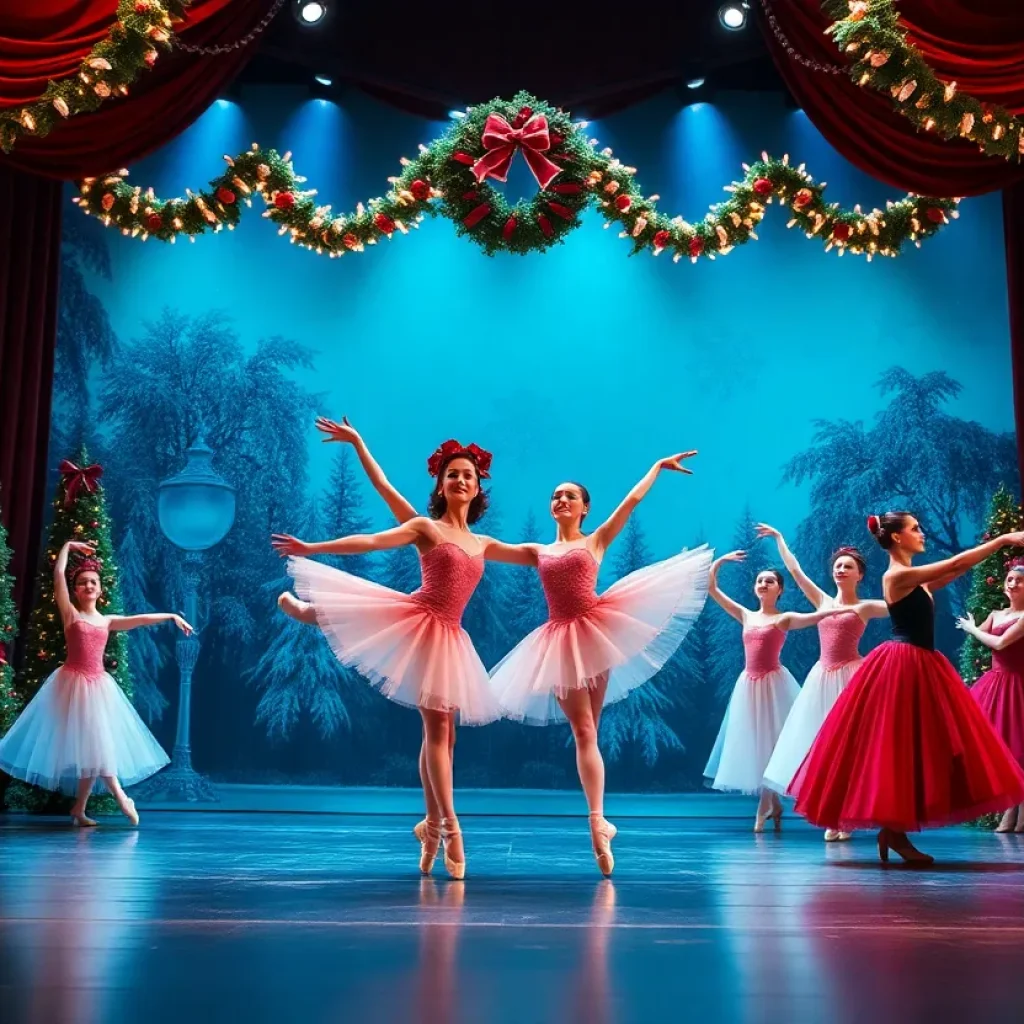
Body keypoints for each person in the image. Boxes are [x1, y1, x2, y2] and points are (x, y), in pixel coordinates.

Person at [274, 438, 503, 880]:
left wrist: (573, 549)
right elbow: (373, 535)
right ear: (440, 485)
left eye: (468, 475)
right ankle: (451, 829)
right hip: (423, 620)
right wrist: (313, 547)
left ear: (478, 489)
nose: (460, 480)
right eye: (452, 474)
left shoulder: (482, 543)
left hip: (451, 636)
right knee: (438, 729)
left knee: (446, 737)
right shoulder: (425, 528)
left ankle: (430, 826)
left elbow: (535, 556)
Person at [489, 461, 711, 876]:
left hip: (595, 632)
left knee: (590, 728)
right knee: (584, 730)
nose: (561, 500)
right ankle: (597, 823)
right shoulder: (538, 552)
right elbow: (485, 546)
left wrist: (657, 467)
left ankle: (599, 820)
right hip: (560, 642)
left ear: (584, 508)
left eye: (569, 495)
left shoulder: (596, 541)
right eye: (556, 496)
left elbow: (631, 501)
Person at [791, 513, 1024, 865]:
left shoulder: (916, 579)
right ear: (898, 538)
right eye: (915, 528)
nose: (922, 533)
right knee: (899, 748)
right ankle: (894, 831)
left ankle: (894, 831)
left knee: (918, 748)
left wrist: (990, 551)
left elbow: (956, 569)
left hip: (922, 662)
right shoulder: (896, 576)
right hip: (904, 665)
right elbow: (956, 563)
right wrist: (1002, 540)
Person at [0, 541, 190, 826]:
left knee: (94, 749)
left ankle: (79, 808)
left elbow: (139, 620)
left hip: (99, 687)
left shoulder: (107, 621)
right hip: (72, 686)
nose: (88, 586)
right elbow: (58, 575)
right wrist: (68, 547)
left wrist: (172, 616)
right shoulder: (71, 614)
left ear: (100, 590)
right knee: (98, 749)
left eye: (93, 582)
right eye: (83, 583)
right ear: (76, 591)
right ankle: (122, 797)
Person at [757, 526, 887, 841]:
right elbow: (795, 571)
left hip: (851, 678)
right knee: (823, 748)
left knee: (851, 749)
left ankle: (846, 817)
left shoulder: (865, 607)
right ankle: (833, 815)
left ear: (859, 575)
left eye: (848, 566)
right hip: (822, 679)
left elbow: (901, 603)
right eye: (838, 566)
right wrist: (779, 539)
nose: (841, 570)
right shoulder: (823, 601)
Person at [703, 551, 839, 831]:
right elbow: (712, 589)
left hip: (775, 686)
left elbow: (818, 616)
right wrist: (720, 563)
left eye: (770, 581)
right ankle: (772, 804)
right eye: (760, 581)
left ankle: (766, 804)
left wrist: (848, 608)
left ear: (780, 590)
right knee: (756, 745)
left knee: (775, 745)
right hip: (749, 687)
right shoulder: (746, 615)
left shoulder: (784, 618)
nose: (763, 584)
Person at [957, 559, 1024, 833]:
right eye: (1010, 580)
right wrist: (976, 628)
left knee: (1018, 748)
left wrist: (972, 628)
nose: (1013, 584)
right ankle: (1012, 809)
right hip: (995, 683)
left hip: (1017, 684)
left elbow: (1000, 642)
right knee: (1000, 746)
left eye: (1019, 580)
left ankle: (1016, 813)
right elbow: (983, 638)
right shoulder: (997, 614)